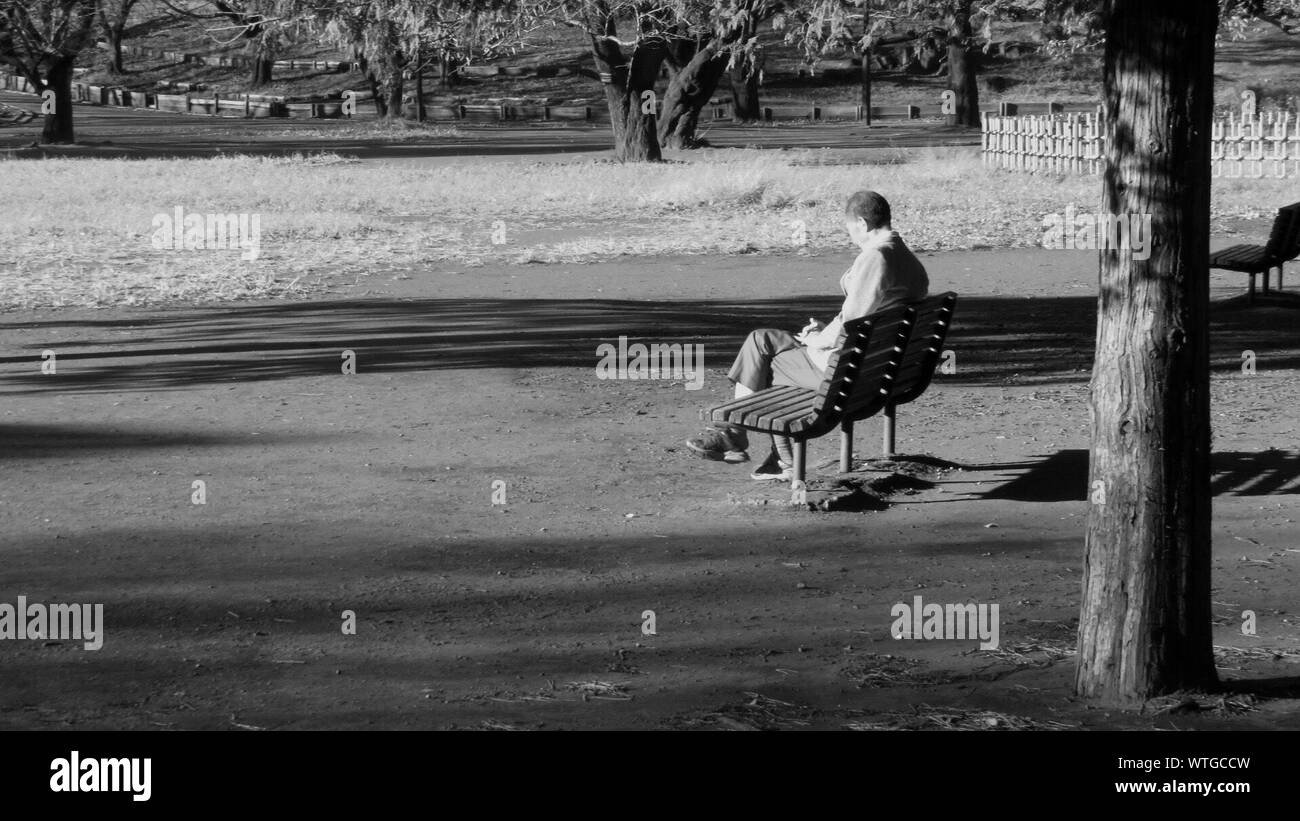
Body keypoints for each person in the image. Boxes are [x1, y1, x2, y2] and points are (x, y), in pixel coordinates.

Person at [686, 190, 929, 481]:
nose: (850, 236)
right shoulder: (907, 258)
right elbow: (864, 318)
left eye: (850, 229)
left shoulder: (876, 257)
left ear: (862, 224)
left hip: (848, 375)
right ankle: (749, 443)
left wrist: (819, 341)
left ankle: (750, 444)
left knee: (765, 362)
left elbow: (853, 320)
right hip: (880, 366)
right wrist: (821, 333)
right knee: (763, 339)